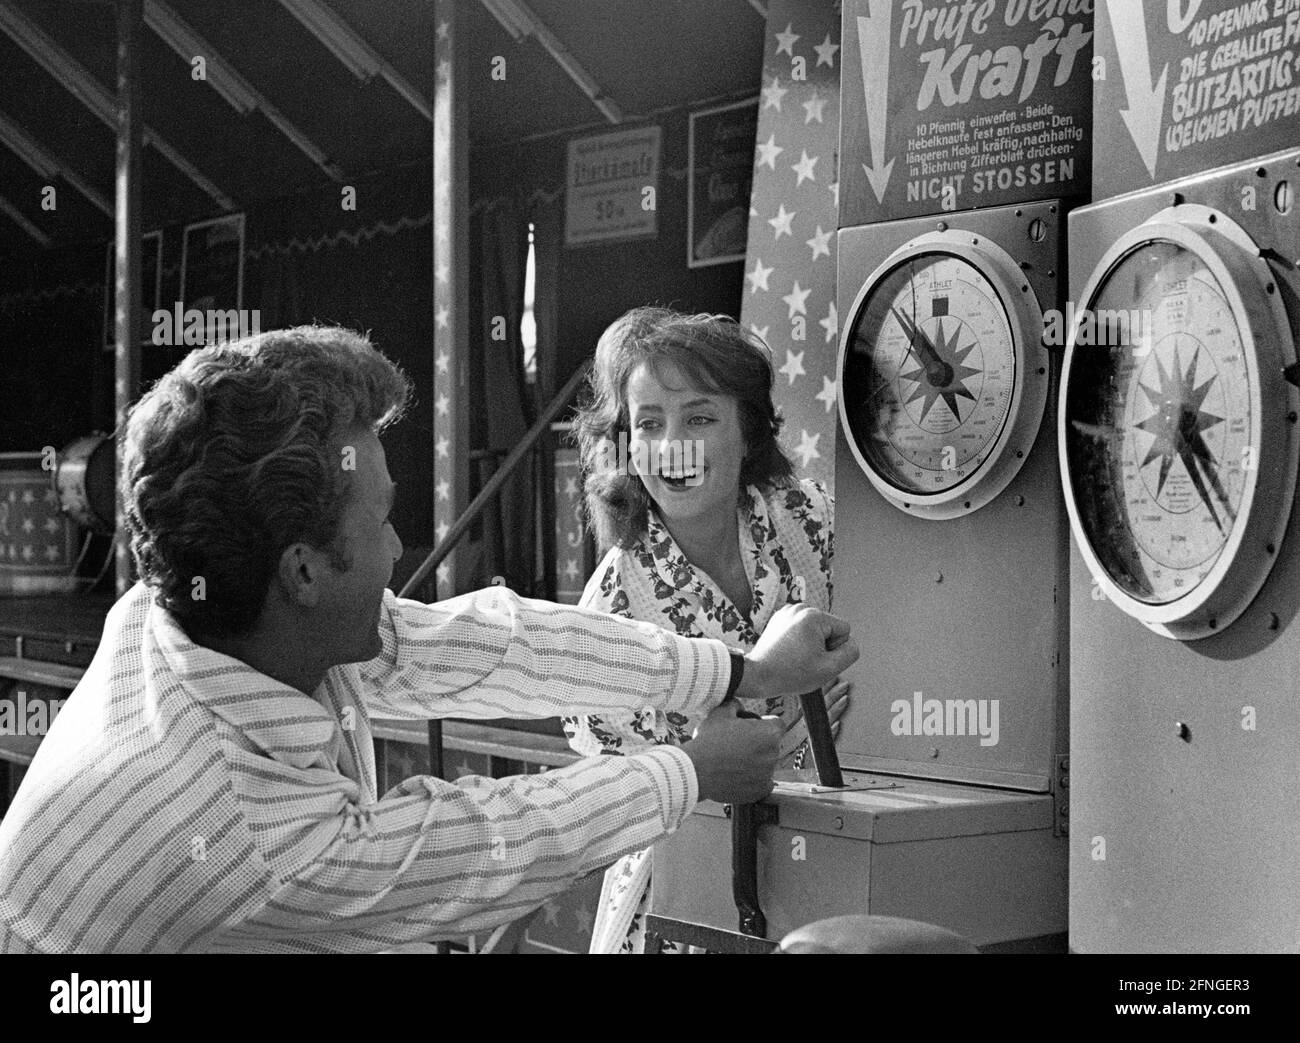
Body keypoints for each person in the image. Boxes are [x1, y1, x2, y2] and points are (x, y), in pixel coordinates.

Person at [0, 325, 858, 954]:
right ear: (303, 572)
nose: (400, 548)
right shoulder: (245, 830)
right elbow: (489, 841)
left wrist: (736, 666)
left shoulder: (192, 606)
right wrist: (692, 771)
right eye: (380, 520)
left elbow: (494, 645)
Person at [562, 307, 848, 953]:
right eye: (650, 424)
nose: (673, 446)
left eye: (699, 417)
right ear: (629, 446)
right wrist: (793, 745)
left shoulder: (812, 518)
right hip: (689, 902)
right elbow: (642, 800)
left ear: (747, 432)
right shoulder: (611, 606)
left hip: (835, 864)